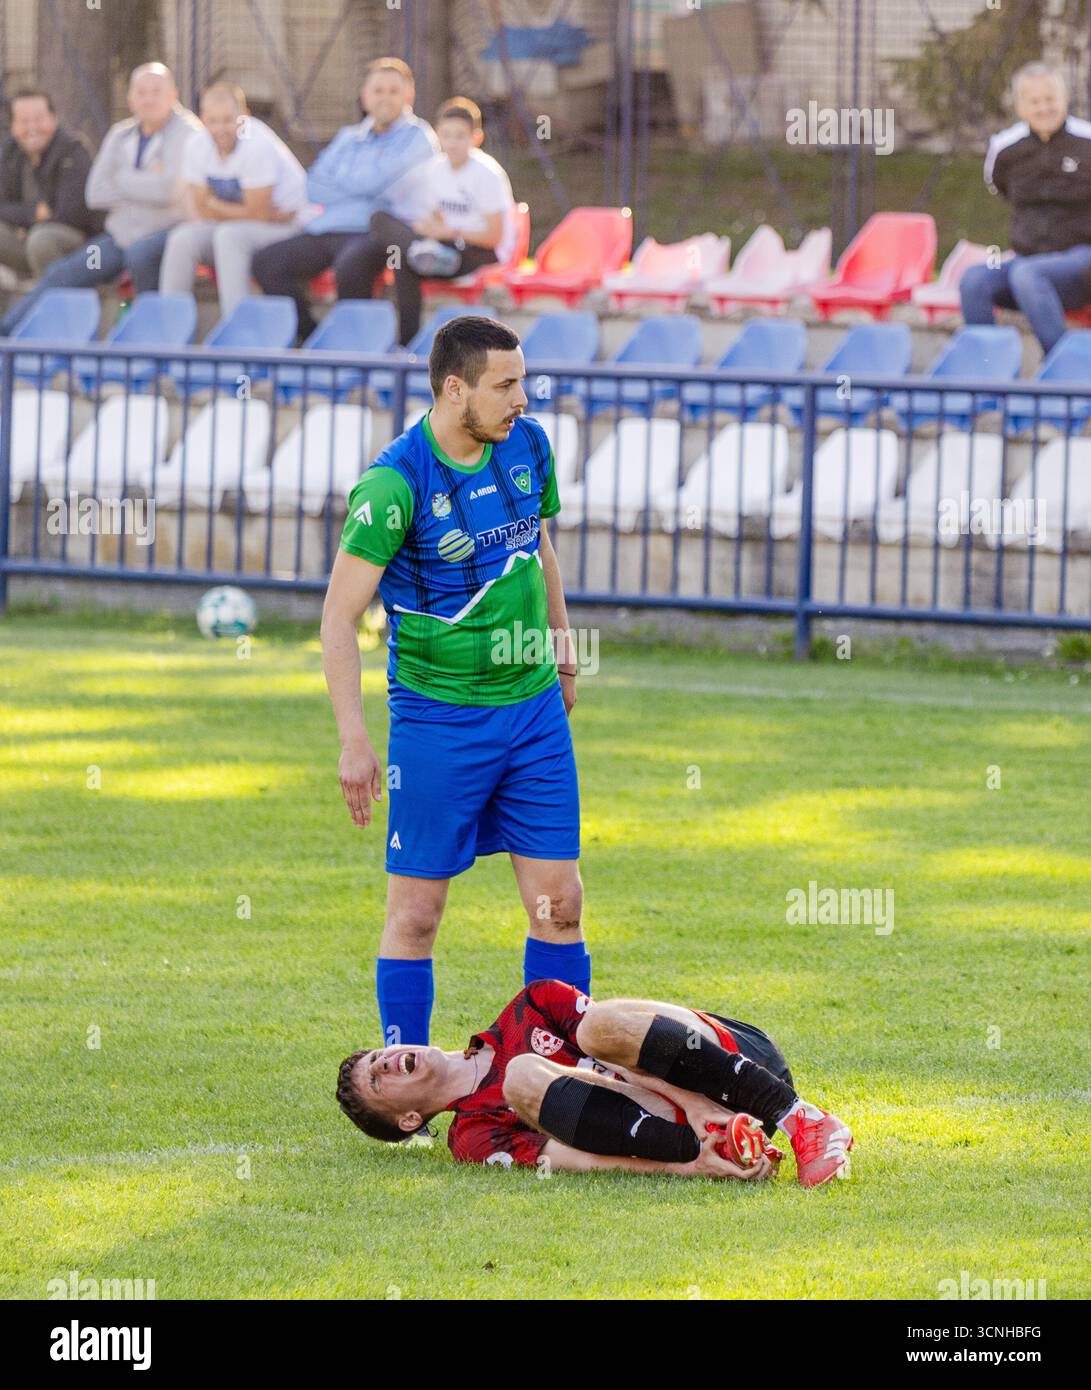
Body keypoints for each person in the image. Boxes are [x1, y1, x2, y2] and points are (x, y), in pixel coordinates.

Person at [320, 316, 587, 1055]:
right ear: (452, 388)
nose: (520, 400)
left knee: (559, 905)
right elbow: (338, 620)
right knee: (416, 915)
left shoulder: (526, 446)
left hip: (531, 712)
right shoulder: (394, 483)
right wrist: (353, 742)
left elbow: (540, 551)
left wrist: (562, 659)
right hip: (438, 725)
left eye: (522, 382)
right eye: (504, 385)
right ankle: (406, 1077)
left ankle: (556, 1079)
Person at [336, 979, 855, 1187]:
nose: (387, 1062)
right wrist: (691, 1166)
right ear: (408, 1120)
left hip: (727, 1062)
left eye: (379, 1056)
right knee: (522, 1077)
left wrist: (692, 1101)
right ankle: (713, 1147)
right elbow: (576, 1159)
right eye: (377, 1079)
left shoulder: (529, 1006)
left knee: (597, 1024)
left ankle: (802, 1117)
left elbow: (623, 1041)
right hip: (689, 1129)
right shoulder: (472, 1135)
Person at [0, 63, 202, 335]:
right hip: (120, 236)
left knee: (140, 256)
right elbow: (96, 192)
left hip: (167, 234)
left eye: (157, 91)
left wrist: (122, 179)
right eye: (141, 92)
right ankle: (9, 334)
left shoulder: (190, 134)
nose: (149, 99)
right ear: (130, 98)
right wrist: (147, 183)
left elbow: (170, 191)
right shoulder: (120, 134)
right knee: (62, 274)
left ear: (174, 94)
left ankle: (152, 339)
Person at [251, 57, 437, 341]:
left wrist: (343, 183)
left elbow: (381, 185)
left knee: (350, 268)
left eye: (393, 91)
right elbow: (312, 187)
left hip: (376, 231)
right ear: (365, 96)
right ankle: (313, 337)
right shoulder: (348, 137)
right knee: (267, 262)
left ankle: (358, 347)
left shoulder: (419, 137)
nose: (385, 98)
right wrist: (366, 182)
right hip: (328, 227)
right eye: (378, 90)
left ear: (408, 95)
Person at [352, 96, 515, 344]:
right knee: (381, 221)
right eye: (447, 135)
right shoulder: (435, 169)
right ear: (438, 135)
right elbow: (435, 215)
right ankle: (408, 346)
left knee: (408, 260)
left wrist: (448, 232)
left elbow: (494, 236)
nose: (452, 143)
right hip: (440, 247)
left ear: (476, 137)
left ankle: (407, 341)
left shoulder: (487, 174)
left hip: (478, 252)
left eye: (460, 136)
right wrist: (427, 229)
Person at [961, 62, 1091, 353]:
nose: (1044, 108)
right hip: (1027, 259)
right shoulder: (1005, 148)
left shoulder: (1087, 140)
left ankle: (1062, 371)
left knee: (1029, 275)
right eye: (1035, 101)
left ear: (1064, 99)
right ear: (1021, 107)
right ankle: (987, 374)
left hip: (1082, 260)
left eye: (1050, 99)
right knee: (974, 280)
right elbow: (998, 186)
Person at [159, 83, 310, 316]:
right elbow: (202, 210)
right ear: (203, 120)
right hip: (257, 223)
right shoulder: (196, 145)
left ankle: (238, 327)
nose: (221, 128)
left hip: (290, 227)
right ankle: (169, 324)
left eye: (228, 120)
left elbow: (256, 215)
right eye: (213, 120)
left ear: (244, 117)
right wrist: (244, 211)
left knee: (230, 236)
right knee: (182, 238)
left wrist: (216, 205)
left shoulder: (257, 143)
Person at [0, 89, 102, 282]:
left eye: (39, 119)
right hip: (30, 238)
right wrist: (32, 214)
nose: (32, 127)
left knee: (42, 239)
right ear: (13, 126)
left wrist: (26, 224)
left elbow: (69, 215)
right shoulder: (9, 154)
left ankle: (53, 305)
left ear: (54, 118)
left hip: (85, 248)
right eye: (23, 121)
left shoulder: (73, 151)